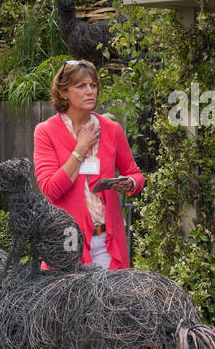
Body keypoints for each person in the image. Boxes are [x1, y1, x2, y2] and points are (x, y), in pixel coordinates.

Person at [34, 59, 143, 270]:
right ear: (64, 92)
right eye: (81, 86)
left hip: (107, 240)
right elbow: (50, 189)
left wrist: (130, 183)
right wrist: (81, 148)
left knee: (110, 292)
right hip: (67, 239)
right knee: (68, 292)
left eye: (93, 85)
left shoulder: (112, 130)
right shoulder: (46, 131)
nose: (90, 91)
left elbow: (136, 175)